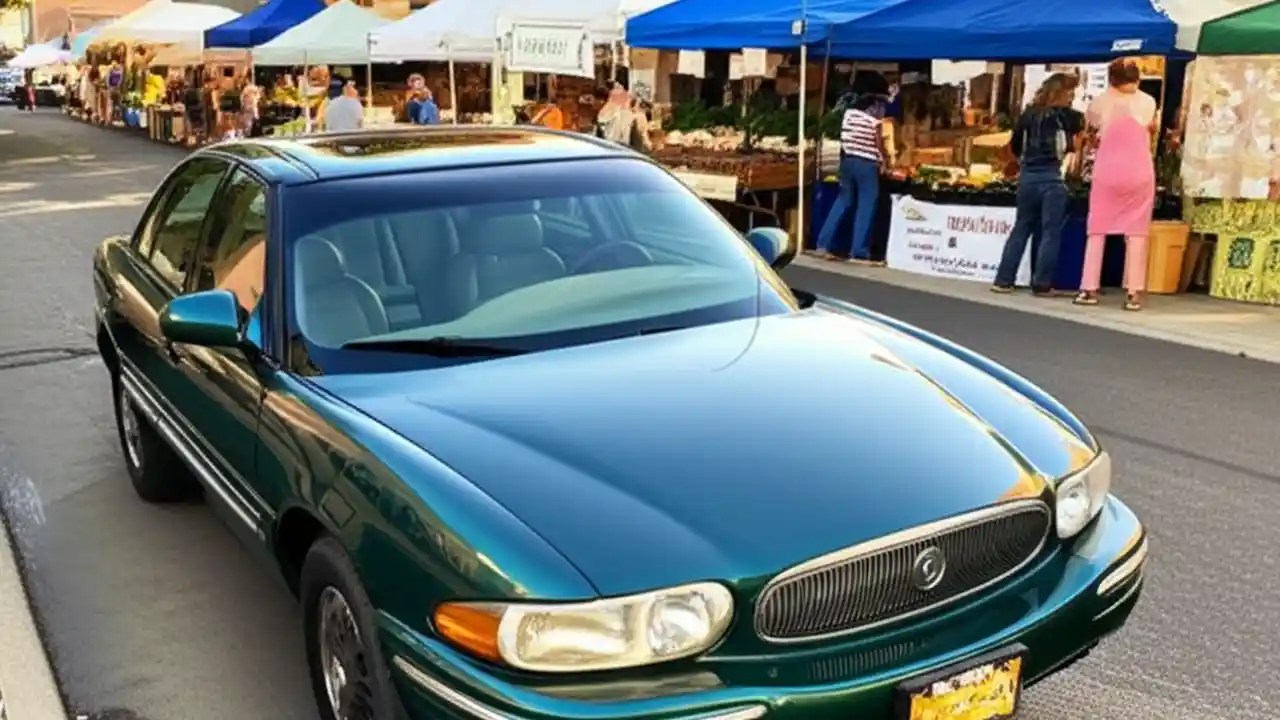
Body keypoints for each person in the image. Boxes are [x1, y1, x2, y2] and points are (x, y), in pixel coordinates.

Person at [1074, 59, 1158, 311]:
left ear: (1111, 78)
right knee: (1137, 231)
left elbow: (1092, 133)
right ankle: (1134, 292)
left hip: (1108, 171)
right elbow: (1151, 128)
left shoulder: (1099, 102)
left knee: (1097, 229)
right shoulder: (1148, 102)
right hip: (1140, 171)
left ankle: (1088, 288)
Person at [991, 73, 1085, 296]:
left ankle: (1003, 279)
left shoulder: (1028, 115)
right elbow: (1071, 145)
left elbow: (1015, 147)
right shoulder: (1068, 117)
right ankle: (1041, 283)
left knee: (1021, 227)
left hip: (1028, 178)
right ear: (1063, 93)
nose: (1072, 97)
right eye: (1070, 93)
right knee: (1050, 232)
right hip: (1052, 179)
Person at [814, 93, 890, 264]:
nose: (883, 112)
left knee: (842, 202)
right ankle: (859, 251)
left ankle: (822, 243)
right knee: (866, 205)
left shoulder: (848, 115)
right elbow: (878, 144)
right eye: (881, 107)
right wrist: (884, 162)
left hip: (847, 162)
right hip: (867, 165)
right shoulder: (874, 122)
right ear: (873, 106)